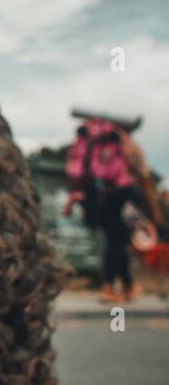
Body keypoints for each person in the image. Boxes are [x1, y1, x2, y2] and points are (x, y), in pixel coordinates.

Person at [64, 118, 155, 302]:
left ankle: (128, 286)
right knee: (118, 242)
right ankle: (109, 286)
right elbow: (140, 169)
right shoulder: (120, 142)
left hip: (101, 196)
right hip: (123, 195)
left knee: (115, 242)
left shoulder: (91, 143)